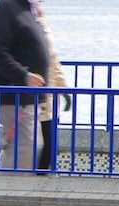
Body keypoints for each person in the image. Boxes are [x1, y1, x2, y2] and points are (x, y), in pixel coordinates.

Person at [0, 0, 54, 172]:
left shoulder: (27, 10)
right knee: (24, 147)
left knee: (28, 147)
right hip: (13, 97)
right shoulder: (6, 9)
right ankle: (11, 187)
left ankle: (14, 184)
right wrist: (23, 76)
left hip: (27, 97)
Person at [34, 1, 71, 172]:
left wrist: (63, 88)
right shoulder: (29, 23)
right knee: (44, 140)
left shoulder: (40, 24)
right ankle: (38, 175)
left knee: (49, 140)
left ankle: (40, 174)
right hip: (37, 91)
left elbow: (52, 60)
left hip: (46, 91)